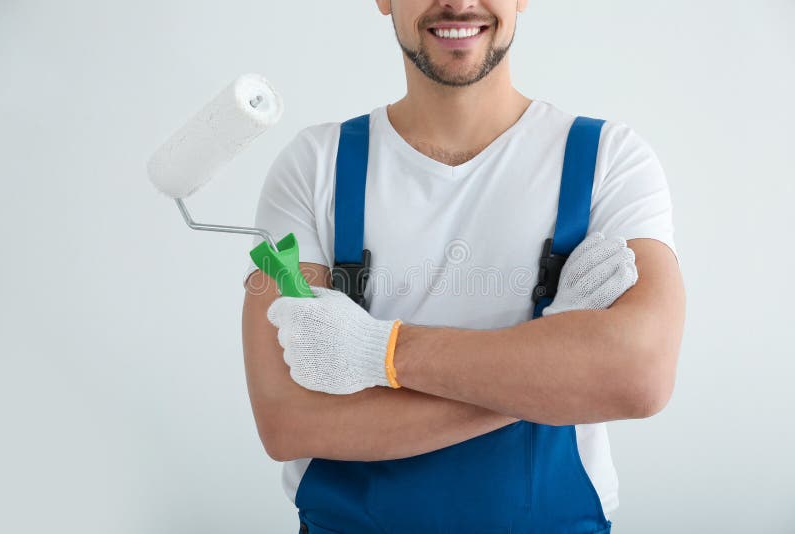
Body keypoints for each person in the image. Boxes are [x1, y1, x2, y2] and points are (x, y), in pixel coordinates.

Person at [242, 1, 685, 532]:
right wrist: (553, 367)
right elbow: (286, 420)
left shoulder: (610, 162)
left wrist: (375, 351)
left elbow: (639, 376)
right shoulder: (312, 167)